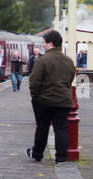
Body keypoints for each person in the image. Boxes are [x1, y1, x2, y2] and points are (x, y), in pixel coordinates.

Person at [27, 29, 76, 164]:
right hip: (63, 101)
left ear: (50, 43)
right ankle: (61, 158)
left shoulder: (42, 60)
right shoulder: (69, 61)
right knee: (61, 128)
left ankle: (37, 154)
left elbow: (35, 81)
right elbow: (70, 78)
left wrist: (35, 97)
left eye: (44, 43)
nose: (43, 45)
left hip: (44, 101)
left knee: (42, 127)